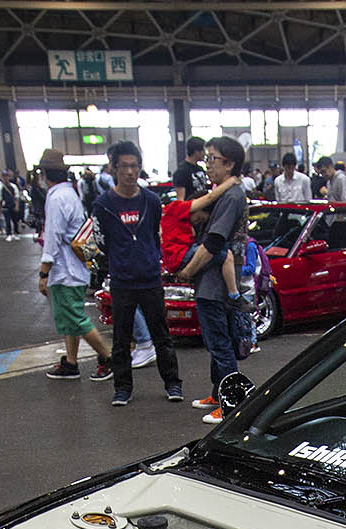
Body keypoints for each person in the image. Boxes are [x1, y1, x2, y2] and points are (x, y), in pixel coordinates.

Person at [95, 140, 182, 408]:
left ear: (139, 168)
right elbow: (102, 241)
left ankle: (173, 383)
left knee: (161, 334)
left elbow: (155, 235)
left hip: (149, 278)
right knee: (121, 338)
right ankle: (122, 388)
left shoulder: (152, 201)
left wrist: (149, 259)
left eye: (134, 166)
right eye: (124, 167)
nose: (129, 172)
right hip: (121, 280)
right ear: (114, 168)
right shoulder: (104, 204)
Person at [173, 136, 251, 424]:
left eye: (212, 159)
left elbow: (215, 242)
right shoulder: (224, 192)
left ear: (229, 163)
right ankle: (218, 392)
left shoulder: (231, 195)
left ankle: (231, 401)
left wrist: (187, 271)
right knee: (216, 340)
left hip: (214, 280)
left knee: (220, 342)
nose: (207, 164)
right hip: (213, 278)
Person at [37, 148, 114, 383]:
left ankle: (108, 357)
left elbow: (53, 236)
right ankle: (71, 362)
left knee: (75, 317)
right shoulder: (69, 193)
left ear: (45, 174)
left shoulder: (57, 198)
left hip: (65, 270)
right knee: (71, 317)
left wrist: (43, 272)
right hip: (76, 266)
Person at [173, 137, 210, 204]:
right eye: (203, 151)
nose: (204, 153)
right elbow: (180, 200)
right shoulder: (181, 172)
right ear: (196, 152)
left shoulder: (200, 169)